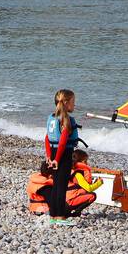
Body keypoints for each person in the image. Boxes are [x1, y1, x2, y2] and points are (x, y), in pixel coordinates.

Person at [26, 149, 103, 219]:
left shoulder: (39, 181)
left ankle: (68, 213)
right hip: (41, 210)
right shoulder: (45, 187)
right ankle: (73, 213)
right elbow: (52, 202)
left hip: (38, 208)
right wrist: (62, 214)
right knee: (93, 195)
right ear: (51, 175)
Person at [43, 89, 80, 224]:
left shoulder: (52, 117)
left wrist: (49, 157)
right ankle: (60, 216)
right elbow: (63, 141)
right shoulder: (66, 119)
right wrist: (57, 160)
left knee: (56, 185)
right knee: (62, 185)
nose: (74, 105)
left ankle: (53, 215)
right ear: (66, 103)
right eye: (73, 102)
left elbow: (47, 138)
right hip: (63, 154)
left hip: (53, 152)